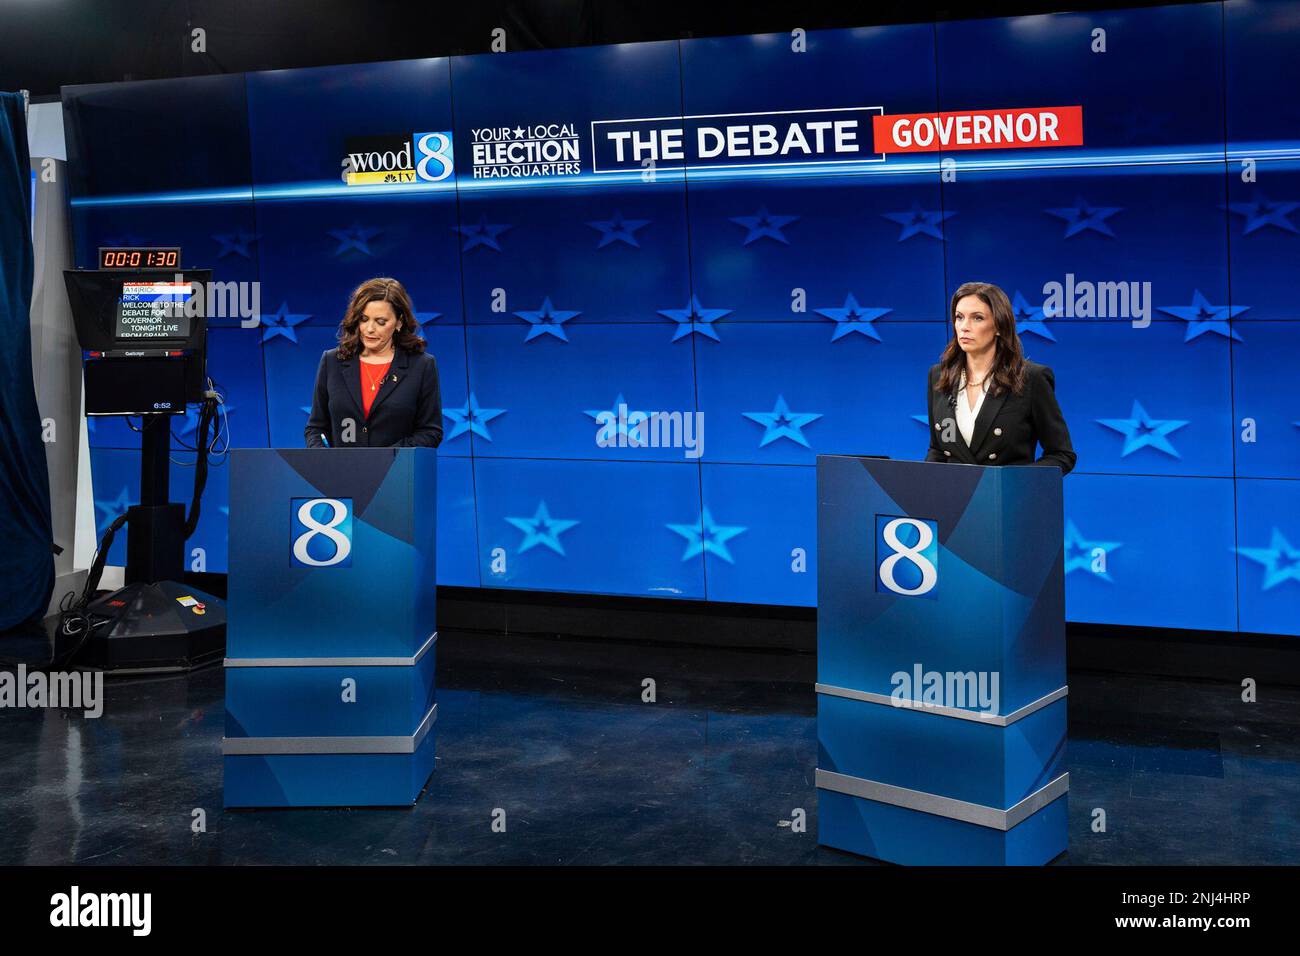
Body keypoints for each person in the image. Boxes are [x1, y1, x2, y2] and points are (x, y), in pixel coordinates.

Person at [925, 281, 1075, 473]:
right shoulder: (938, 376)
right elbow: (938, 450)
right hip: (955, 500)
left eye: (977, 318)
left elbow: (1062, 455)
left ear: (999, 326)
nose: (964, 327)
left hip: (1007, 499)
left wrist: (1015, 484)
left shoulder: (1031, 378)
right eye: (959, 317)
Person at [305, 277, 442, 448]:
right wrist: (324, 459)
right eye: (364, 319)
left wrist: (384, 461)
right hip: (340, 472)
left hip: (396, 471)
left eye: (381, 322)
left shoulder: (422, 366)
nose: (370, 329)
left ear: (399, 322)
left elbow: (430, 432)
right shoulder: (332, 361)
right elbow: (316, 428)